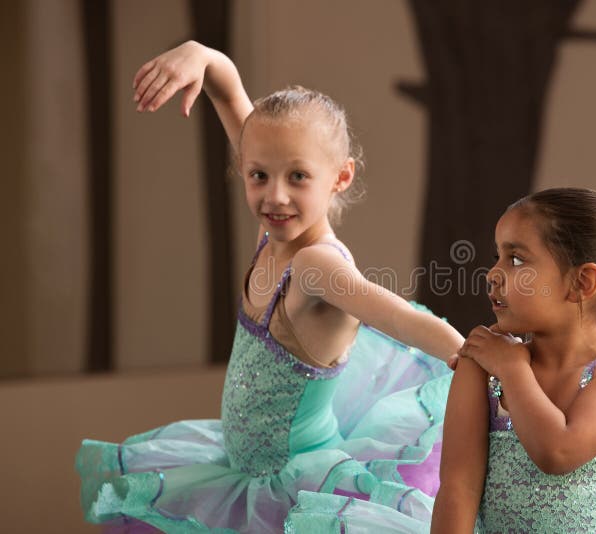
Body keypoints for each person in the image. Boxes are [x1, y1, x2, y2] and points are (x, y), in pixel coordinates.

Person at [75, 41, 463, 533]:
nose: (274, 195)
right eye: (259, 175)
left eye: (298, 176)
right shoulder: (274, 234)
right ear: (243, 167)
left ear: (340, 177)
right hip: (236, 468)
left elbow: (402, 319)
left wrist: (483, 363)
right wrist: (201, 57)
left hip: (292, 490)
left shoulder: (315, 265)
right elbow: (230, 96)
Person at [286, 188, 596, 532]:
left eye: (516, 258)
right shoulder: (479, 363)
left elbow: (559, 450)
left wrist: (514, 369)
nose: (492, 273)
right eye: (495, 256)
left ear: (583, 282)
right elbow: (459, 489)